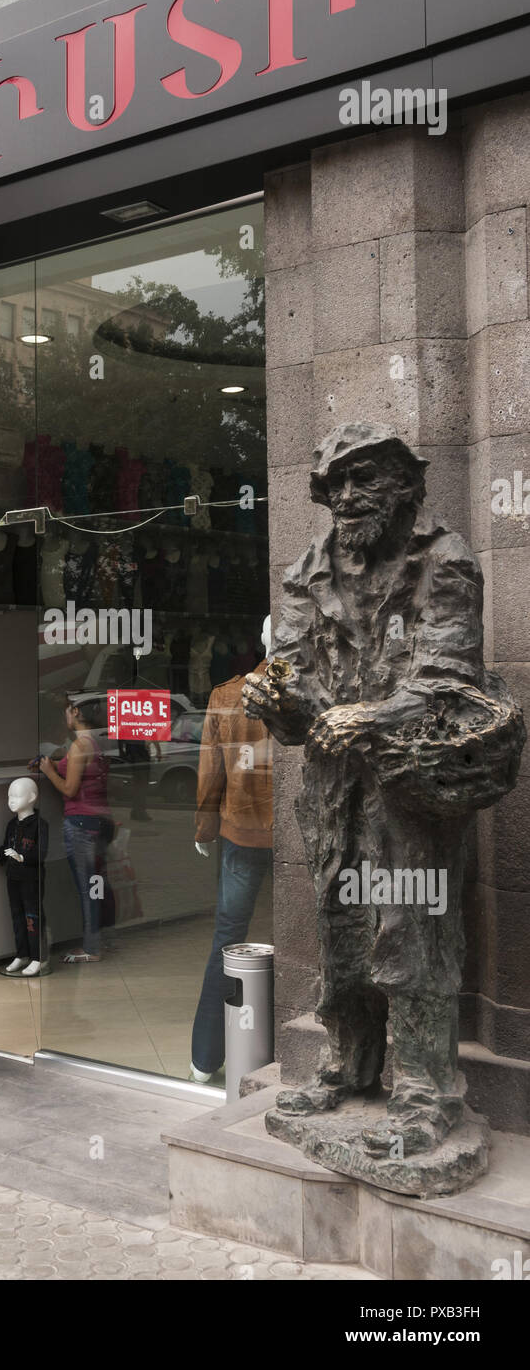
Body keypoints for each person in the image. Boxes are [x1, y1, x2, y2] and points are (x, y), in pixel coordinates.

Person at [242, 423, 524, 1157]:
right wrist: (275, 693)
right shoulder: (308, 567)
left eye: (361, 478)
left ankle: (427, 1092)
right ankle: (348, 1063)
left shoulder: (446, 559)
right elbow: (294, 668)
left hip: (412, 777)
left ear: (402, 483)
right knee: (341, 930)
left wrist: (364, 715)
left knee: (411, 929)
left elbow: (446, 673)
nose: (344, 496)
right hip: (334, 783)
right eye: (333, 485)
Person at [190, 616, 274, 1084]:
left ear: (261, 640)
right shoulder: (316, 690)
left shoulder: (228, 694)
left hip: (241, 832)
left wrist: (206, 829)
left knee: (227, 936)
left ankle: (204, 1058)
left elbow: (212, 769)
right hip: (299, 837)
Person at [39, 696, 114, 962]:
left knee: (87, 888)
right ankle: (99, 941)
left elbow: (70, 790)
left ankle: (91, 948)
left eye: (67, 712)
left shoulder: (80, 746)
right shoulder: (95, 742)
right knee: (96, 885)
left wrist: (49, 771)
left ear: (75, 713)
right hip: (101, 821)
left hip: (81, 823)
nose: (65, 718)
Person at [0, 777, 49, 977]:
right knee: (17, 917)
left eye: (16, 796)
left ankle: (38, 957)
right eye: (9, 795)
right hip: (13, 877)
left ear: (32, 797)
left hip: (31, 879)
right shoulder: (12, 824)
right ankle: (22, 954)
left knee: (32, 917)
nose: (11, 800)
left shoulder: (39, 825)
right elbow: (7, 847)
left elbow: (41, 853)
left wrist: (22, 857)